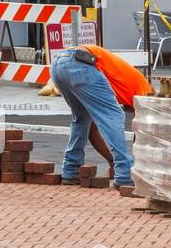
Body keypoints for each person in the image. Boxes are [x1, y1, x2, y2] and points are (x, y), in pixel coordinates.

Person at [49, 43, 152, 190]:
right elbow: (141, 131)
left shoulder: (126, 88)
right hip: (81, 63)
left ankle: (71, 171)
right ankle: (125, 175)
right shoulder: (145, 92)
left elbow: (92, 130)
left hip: (59, 64)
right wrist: (136, 165)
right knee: (114, 115)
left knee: (82, 118)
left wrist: (111, 160)